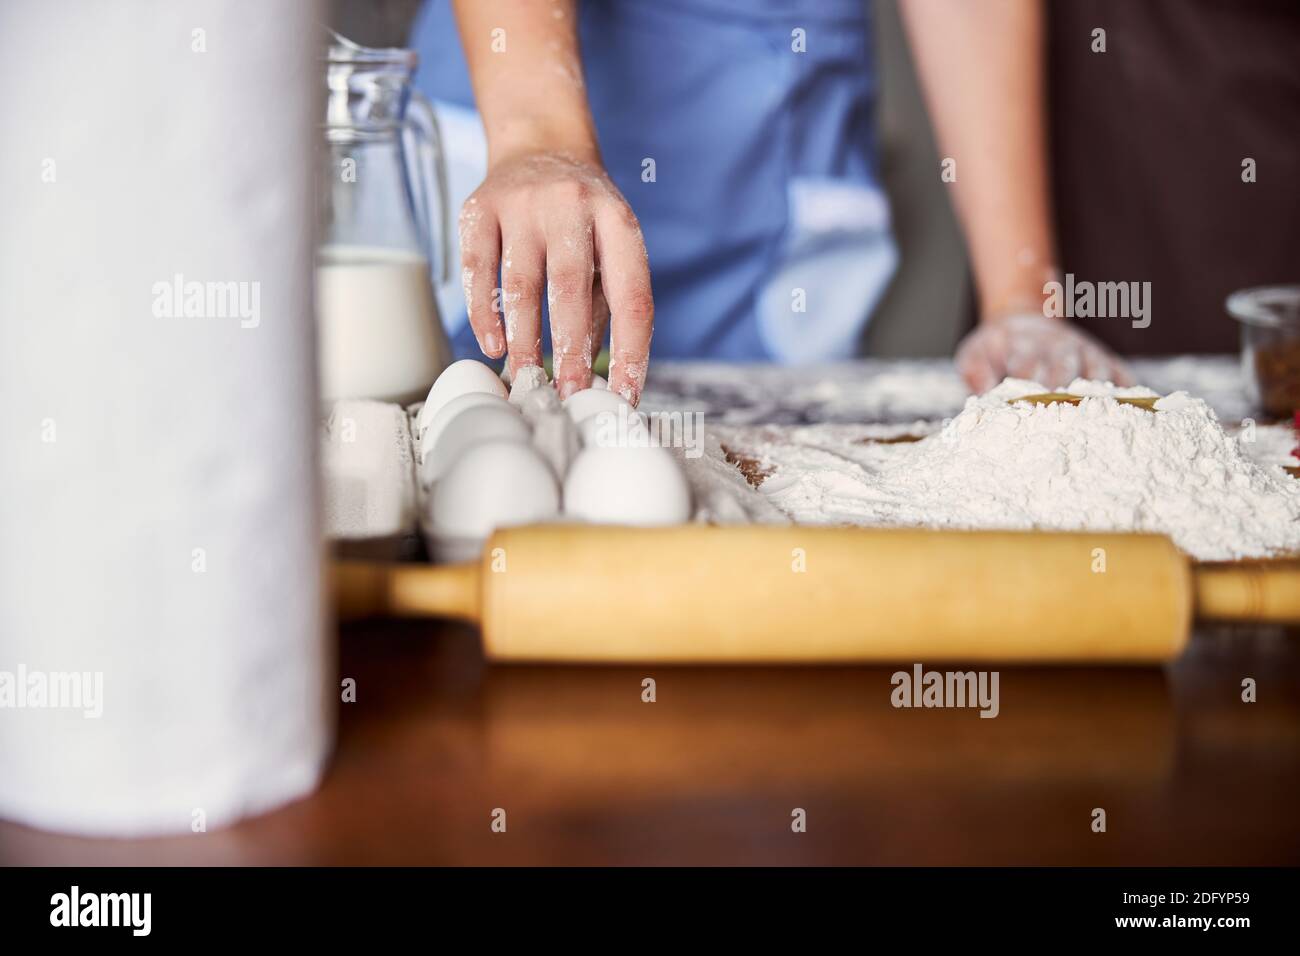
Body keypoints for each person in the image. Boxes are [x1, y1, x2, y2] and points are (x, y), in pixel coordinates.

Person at [411, 0, 1130, 403]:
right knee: (489, 425)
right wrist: (540, 136)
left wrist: (1019, 296)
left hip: (777, 147)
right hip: (519, 89)